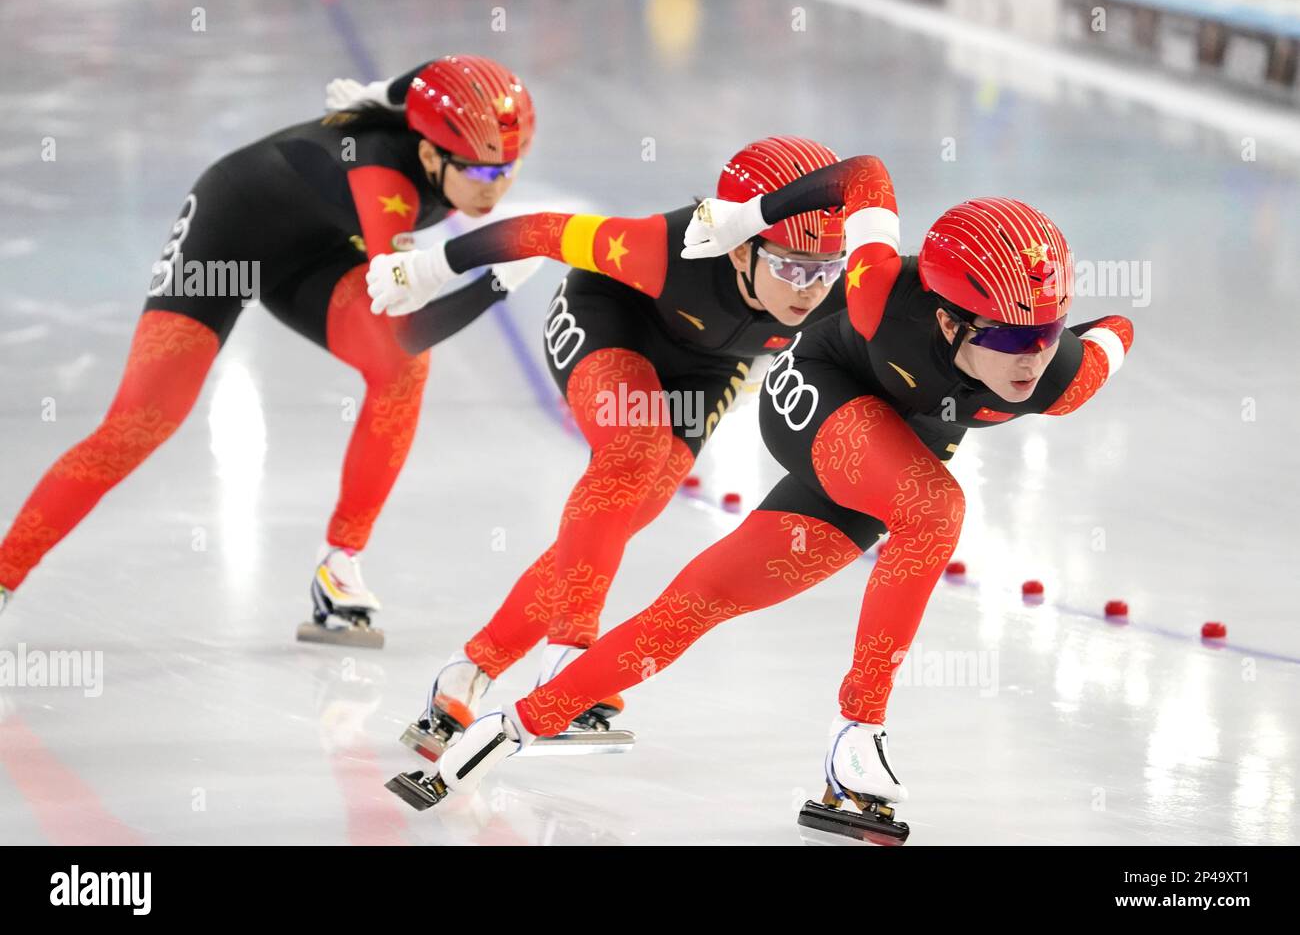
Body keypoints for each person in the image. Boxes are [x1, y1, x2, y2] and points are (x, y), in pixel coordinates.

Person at [382, 154, 1136, 844]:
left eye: (1046, 334)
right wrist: (429, 268)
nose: (1031, 359)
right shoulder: (872, 297)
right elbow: (866, 174)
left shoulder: (1062, 375)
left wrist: (1101, 337)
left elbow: (1113, 331)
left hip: (848, 444)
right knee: (921, 506)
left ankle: (515, 717)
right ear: (946, 318)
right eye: (1008, 340)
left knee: (703, 599)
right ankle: (856, 731)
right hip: (795, 390)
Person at [0, 56, 541, 647]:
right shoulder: (384, 178)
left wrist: (381, 90)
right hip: (227, 237)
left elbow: (430, 72)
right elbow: (410, 325)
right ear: (431, 153)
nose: (496, 186)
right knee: (140, 424)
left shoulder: (440, 145)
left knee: (401, 371)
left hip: (317, 250)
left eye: (509, 170)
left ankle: (339, 568)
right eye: (481, 174)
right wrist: (494, 284)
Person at [364, 136, 849, 753]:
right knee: (633, 449)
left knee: (624, 515)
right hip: (609, 320)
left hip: (708, 370)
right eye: (790, 266)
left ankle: (470, 669)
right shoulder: (664, 249)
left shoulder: (844, 286)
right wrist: (430, 267)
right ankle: (569, 651)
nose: (810, 288)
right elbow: (542, 229)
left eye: (826, 269)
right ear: (740, 249)